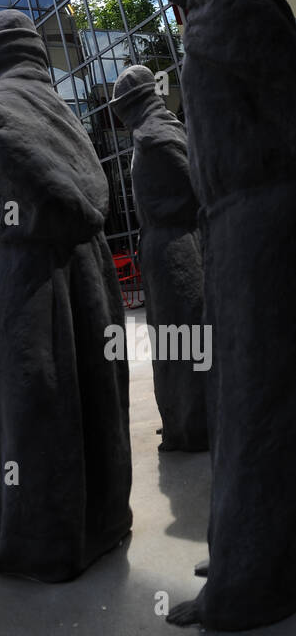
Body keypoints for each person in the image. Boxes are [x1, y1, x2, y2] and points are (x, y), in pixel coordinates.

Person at [146, 0, 296, 630]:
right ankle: (247, 547)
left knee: (257, 398)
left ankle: (250, 579)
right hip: (238, 226)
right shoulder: (215, 3)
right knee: (244, 397)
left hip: (262, 226)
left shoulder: (232, 1)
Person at [0, 9, 132, 581]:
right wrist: (83, 221)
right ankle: (104, 518)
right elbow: (94, 190)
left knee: (35, 399)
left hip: (30, 270)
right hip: (88, 265)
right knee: (95, 393)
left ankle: (42, 538)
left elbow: (24, 192)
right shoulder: (67, 114)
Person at [110, 64, 208, 452]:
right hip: (165, 247)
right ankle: (180, 418)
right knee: (173, 340)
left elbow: (196, 188)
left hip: (175, 251)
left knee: (183, 338)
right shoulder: (156, 131)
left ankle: (193, 422)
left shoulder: (154, 136)